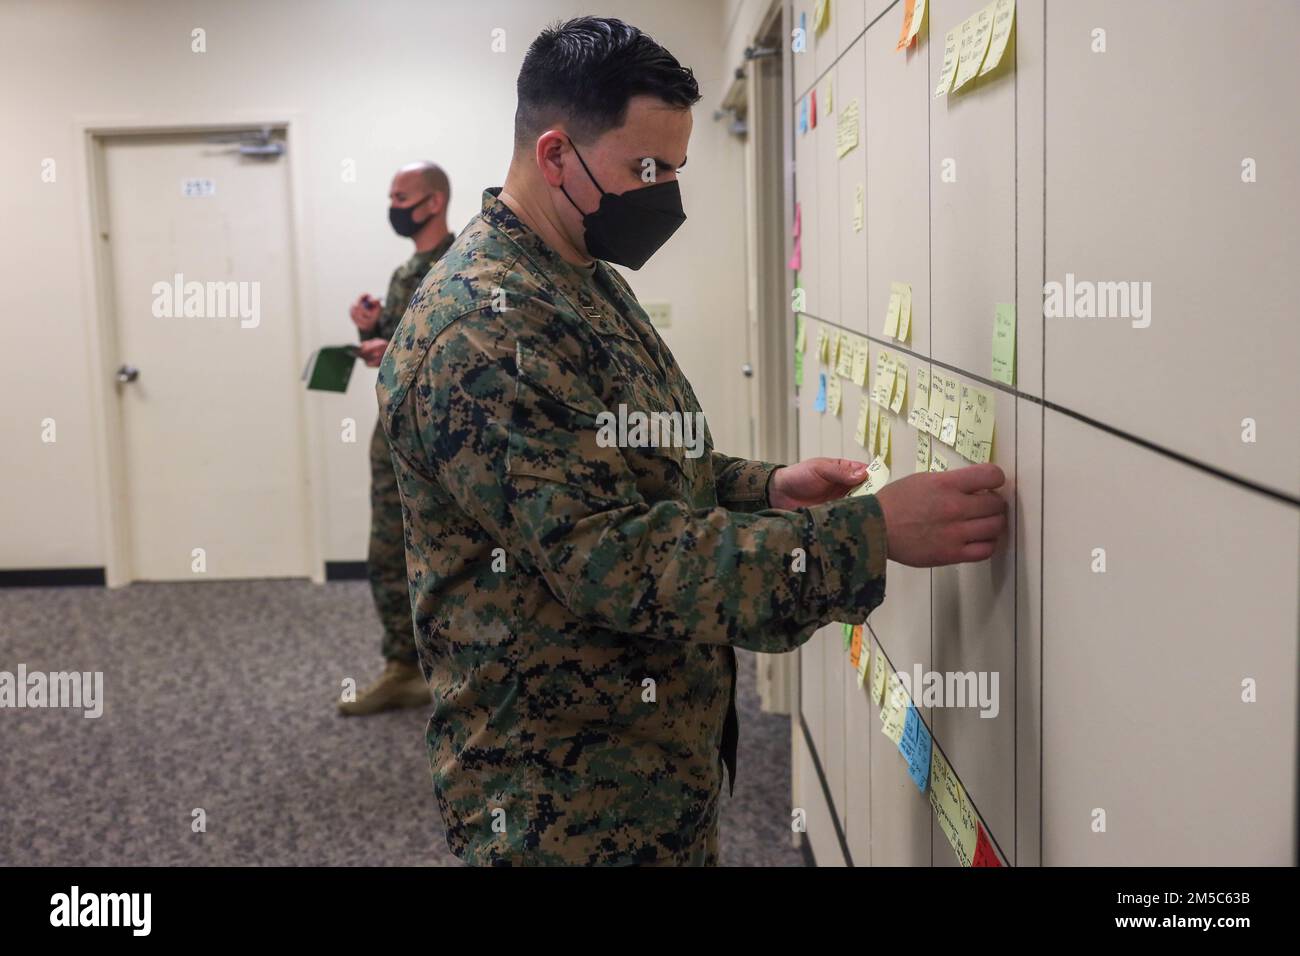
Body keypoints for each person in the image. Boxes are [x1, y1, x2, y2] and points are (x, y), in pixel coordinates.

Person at [376, 17, 1006, 863]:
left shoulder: (573, 274)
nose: (665, 191)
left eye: (675, 168)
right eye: (646, 168)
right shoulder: (484, 331)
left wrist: (764, 488)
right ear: (556, 154)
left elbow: (629, 458)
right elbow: (612, 557)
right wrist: (871, 535)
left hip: (646, 765)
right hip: (561, 804)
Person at [338, 162, 455, 717]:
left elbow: (466, 350)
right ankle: (403, 668)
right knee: (386, 552)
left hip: (443, 440)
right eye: (390, 195)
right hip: (395, 436)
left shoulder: (460, 266)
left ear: (433, 202)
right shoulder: (407, 269)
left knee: (456, 558)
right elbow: (396, 345)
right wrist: (370, 330)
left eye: (401, 196)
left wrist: (396, 351)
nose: (393, 205)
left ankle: (460, 672)